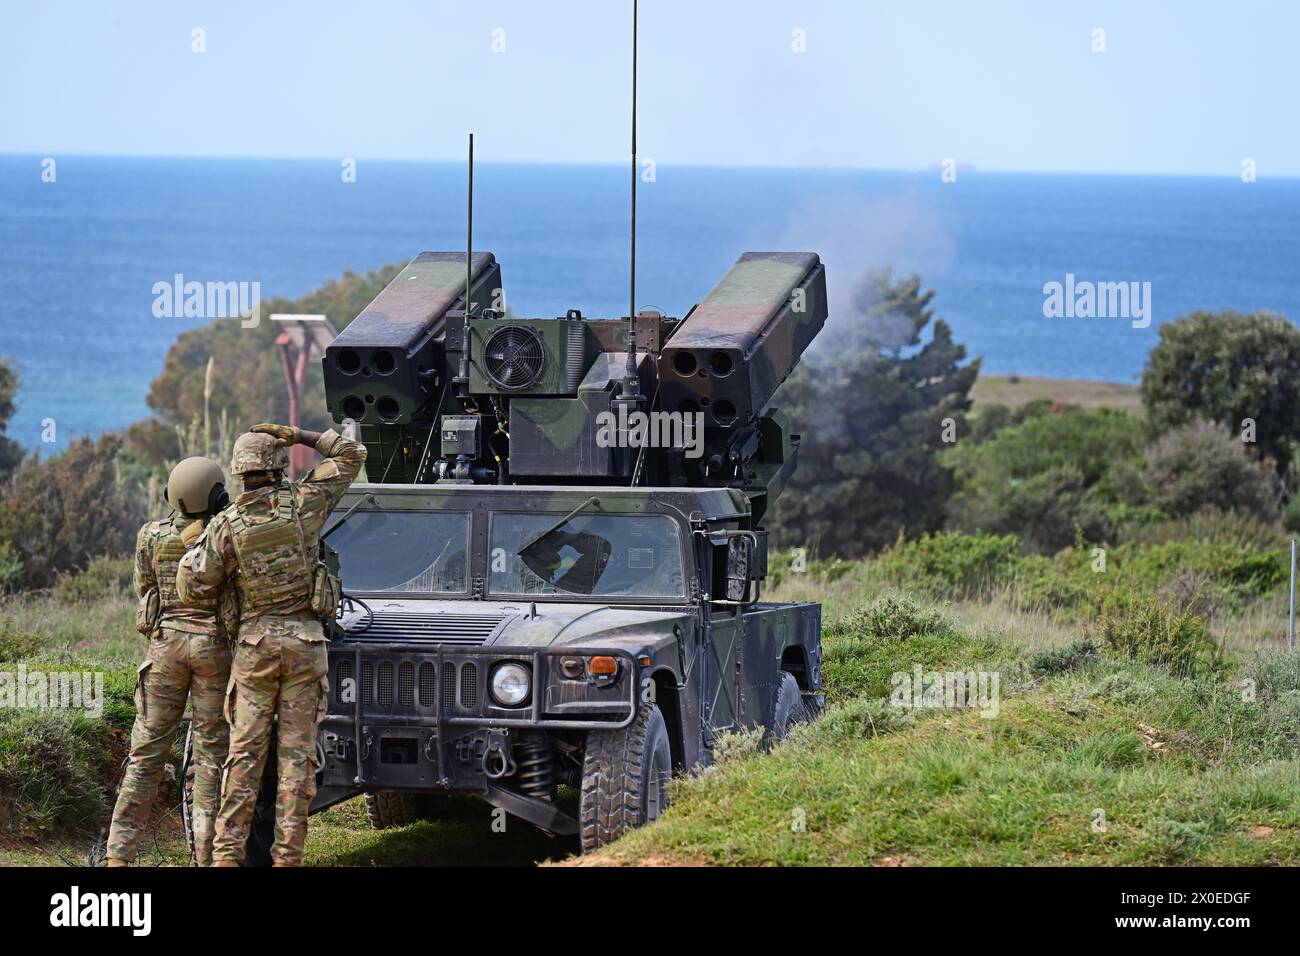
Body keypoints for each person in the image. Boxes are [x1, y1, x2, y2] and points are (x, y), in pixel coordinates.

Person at [178, 423, 365, 867]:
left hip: (255, 648)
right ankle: (286, 860)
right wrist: (299, 434)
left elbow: (192, 587)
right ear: (278, 467)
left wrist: (195, 545)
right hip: (304, 646)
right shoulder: (304, 504)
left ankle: (226, 858)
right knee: (296, 762)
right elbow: (352, 453)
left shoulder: (226, 525)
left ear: (239, 473)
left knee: (244, 757)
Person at [106, 456, 231, 867]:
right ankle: (207, 858)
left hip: (164, 650)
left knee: (144, 759)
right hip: (214, 650)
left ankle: (118, 858)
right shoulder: (226, 534)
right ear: (218, 495)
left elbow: (144, 588)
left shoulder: (151, 535)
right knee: (211, 761)